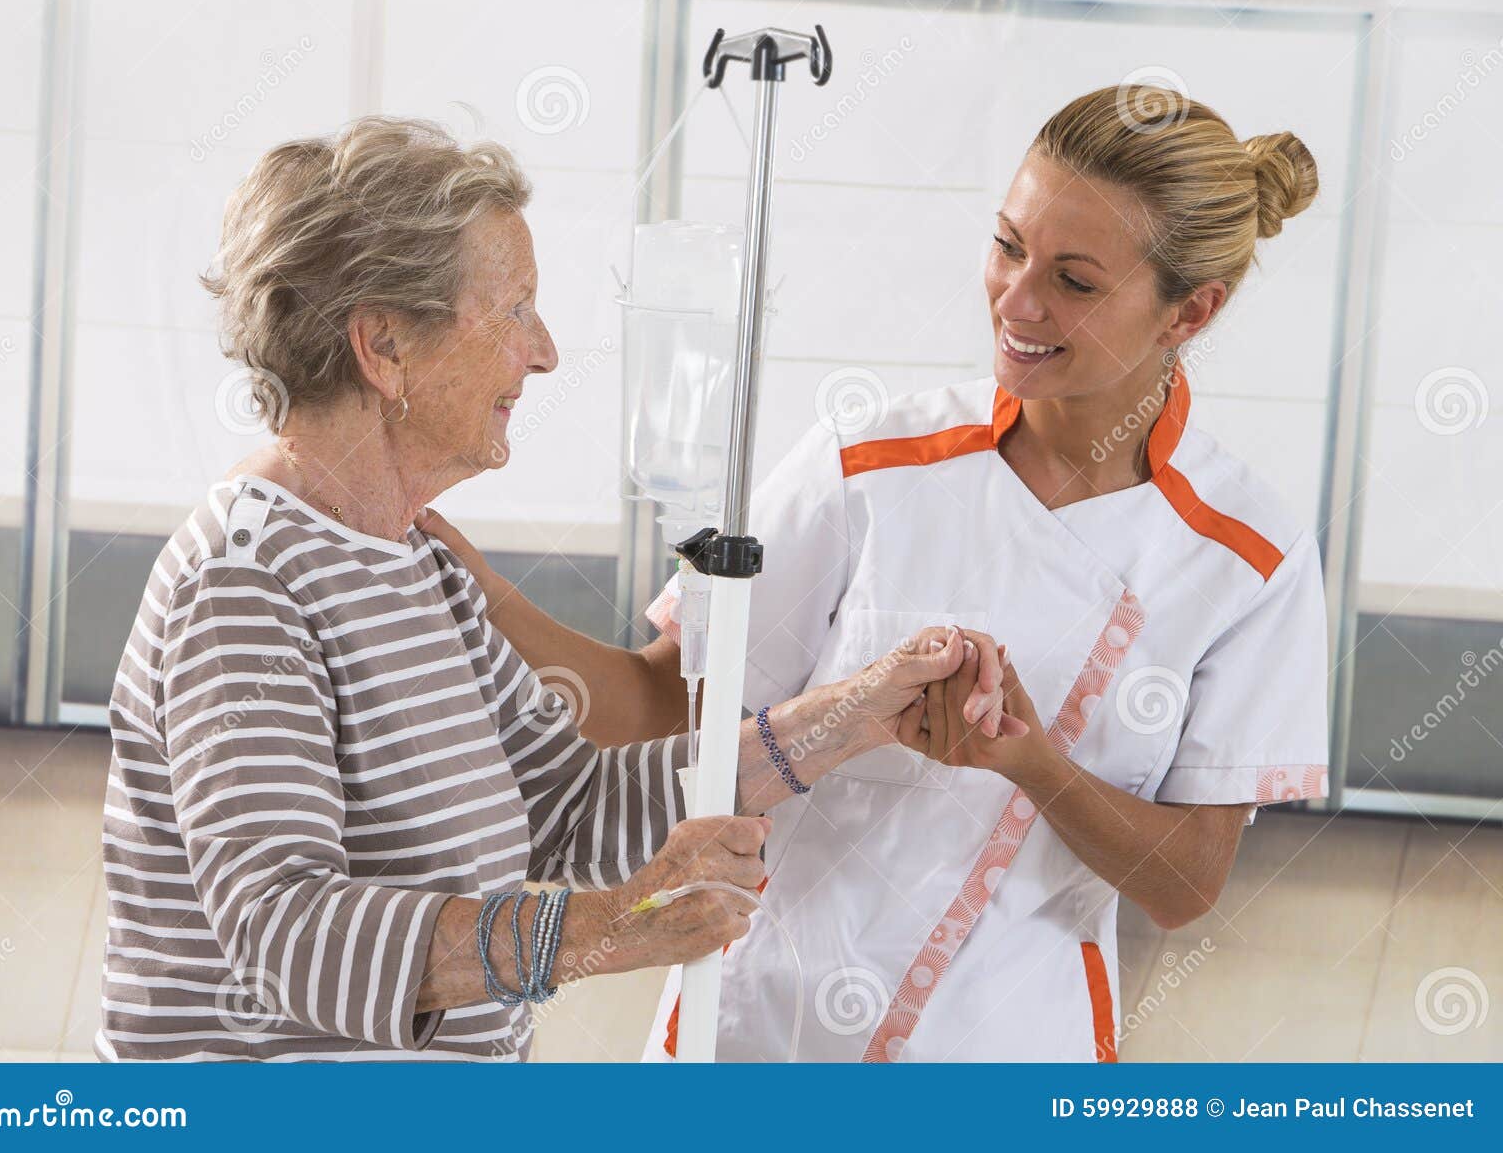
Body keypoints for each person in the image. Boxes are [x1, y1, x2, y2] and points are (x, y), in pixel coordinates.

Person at [423, 86, 1331, 1062]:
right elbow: (657, 702)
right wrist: (466, 576)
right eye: (1006, 245)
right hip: (759, 1029)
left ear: (1190, 309)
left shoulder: (1246, 555)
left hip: (1009, 1045)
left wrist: (1028, 762)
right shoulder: (870, 462)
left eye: (1073, 280)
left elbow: (1182, 884)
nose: (1016, 300)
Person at [95, 117, 988, 1062]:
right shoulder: (244, 582)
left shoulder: (415, 562)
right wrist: (610, 929)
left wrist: (854, 716)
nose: (546, 350)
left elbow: (570, 801)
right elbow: (289, 929)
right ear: (385, 345)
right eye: (515, 308)